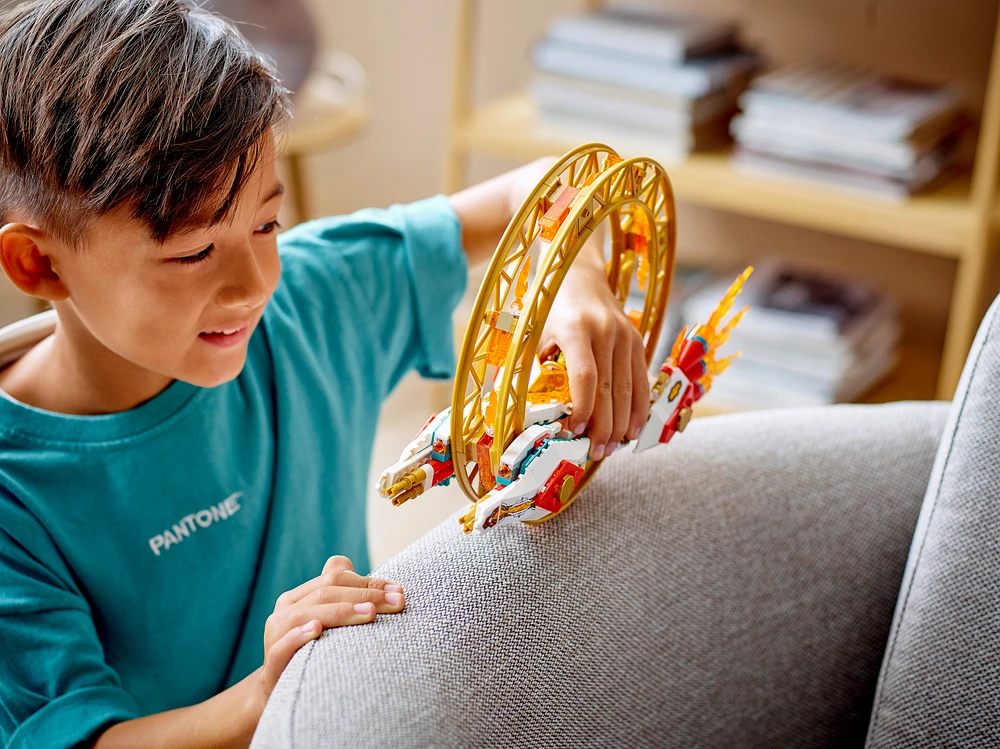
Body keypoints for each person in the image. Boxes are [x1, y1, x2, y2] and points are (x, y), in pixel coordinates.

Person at [0, 1, 650, 747]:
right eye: (191, 252)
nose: (252, 284)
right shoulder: (16, 489)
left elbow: (540, 191)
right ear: (39, 262)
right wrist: (268, 691)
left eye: (266, 224)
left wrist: (566, 278)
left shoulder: (312, 301)